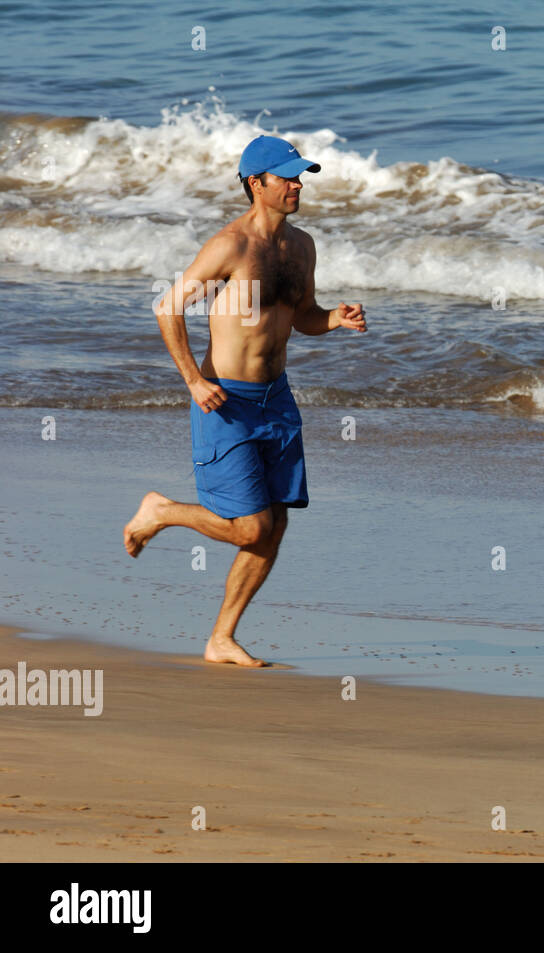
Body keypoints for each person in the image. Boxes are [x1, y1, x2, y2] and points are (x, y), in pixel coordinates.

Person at [123, 135, 367, 667]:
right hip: (224, 401)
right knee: (252, 526)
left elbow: (302, 315)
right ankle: (162, 510)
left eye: (301, 175)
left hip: (276, 399)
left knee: (274, 525)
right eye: (287, 177)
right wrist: (192, 380)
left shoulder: (301, 246)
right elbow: (168, 309)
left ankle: (221, 639)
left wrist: (335, 319)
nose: (298, 184)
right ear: (257, 184)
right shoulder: (230, 246)